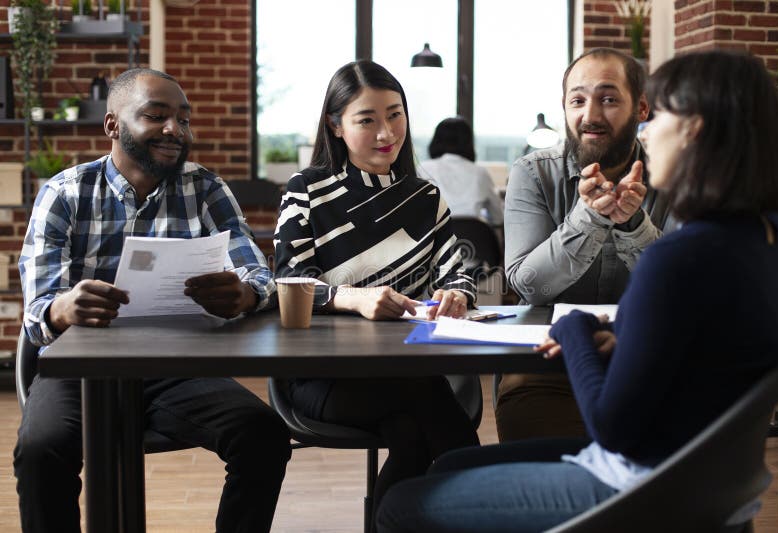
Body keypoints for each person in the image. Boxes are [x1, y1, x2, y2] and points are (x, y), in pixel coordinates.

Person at [375, 48, 778, 533]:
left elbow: (613, 428)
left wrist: (576, 329)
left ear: (693, 131)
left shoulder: (678, 258)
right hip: (713, 482)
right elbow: (708, 348)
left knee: (400, 507)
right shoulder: (769, 238)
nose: (648, 133)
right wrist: (628, 335)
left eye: (658, 117)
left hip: (642, 483)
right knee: (450, 466)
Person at [14, 68, 291, 533]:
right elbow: (39, 314)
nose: (174, 130)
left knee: (262, 434)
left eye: (183, 119)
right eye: (156, 116)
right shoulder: (64, 193)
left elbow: (260, 274)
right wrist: (64, 307)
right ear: (113, 126)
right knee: (41, 450)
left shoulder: (205, 188)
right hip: (80, 369)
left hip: (177, 367)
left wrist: (244, 293)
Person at [273, 59, 480, 528]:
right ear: (336, 125)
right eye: (367, 119)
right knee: (436, 411)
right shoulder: (306, 190)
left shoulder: (426, 198)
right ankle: (483, 494)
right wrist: (355, 299)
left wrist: (457, 297)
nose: (387, 132)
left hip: (402, 369)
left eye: (395, 114)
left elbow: (459, 276)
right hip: (322, 376)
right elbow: (287, 281)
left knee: (410, 437)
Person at [497, 48, 673, 442]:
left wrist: (632, 225)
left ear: (641, 108)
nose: (590, 115)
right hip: (547, 366)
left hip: (646, 365)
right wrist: (588, 219)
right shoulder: (533, 172)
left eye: (609, 99)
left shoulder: (673, 175)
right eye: (578, 100)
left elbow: (681, 289)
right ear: (564, 107)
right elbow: (528, 285)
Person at [417, 116, 504, 225]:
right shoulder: (480, 173)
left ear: (436, 141)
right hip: (474, 240)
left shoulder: (423, 169)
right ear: (469, 143)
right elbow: (498, 217)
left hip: (434, 239)